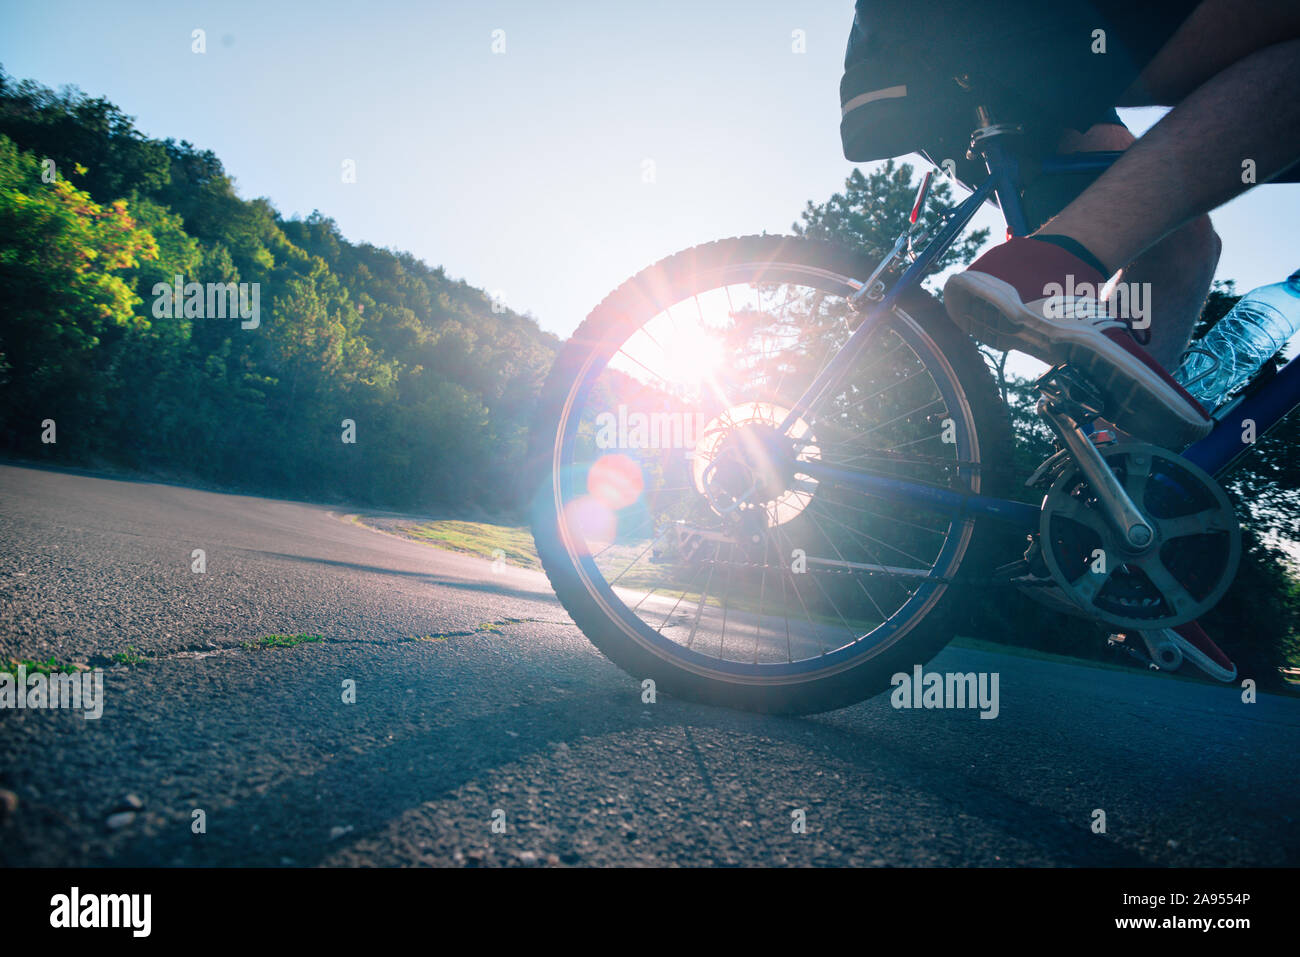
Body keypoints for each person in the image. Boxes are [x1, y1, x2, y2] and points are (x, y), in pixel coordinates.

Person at [842, 0, 1300, 448]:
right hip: (960, 22)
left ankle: (1111, 470)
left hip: (998, 43)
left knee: (1181, 243)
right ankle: (1046, 268)